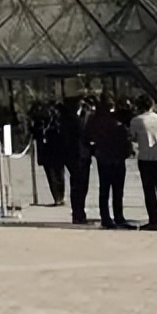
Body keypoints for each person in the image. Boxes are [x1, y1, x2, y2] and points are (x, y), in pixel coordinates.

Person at [85, 94, 135, 229]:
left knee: (106, 189)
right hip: (114, 157)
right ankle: (116, 217)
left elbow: (89, 137)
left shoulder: (95, 120)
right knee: (116, 190)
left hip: (106, 157)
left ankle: (107, 217)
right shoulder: (114, 120)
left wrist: (95, 150)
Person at [129, 96, 157, 231]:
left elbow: (133, 137)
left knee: (149, 191)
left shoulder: (137, 120)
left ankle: (154, 220)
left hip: (145, 158)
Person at [61, 96, 94, 224]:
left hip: (84, 155)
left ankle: (80, 212)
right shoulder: (68, 118)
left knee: (83, 185)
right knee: (77, 185)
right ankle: (77, 213)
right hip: (74, 155)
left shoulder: (86, 115)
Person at [34, 101, 66, 205]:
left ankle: (59, 197)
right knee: (54, 175)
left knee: (58, 175)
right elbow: (35, 133)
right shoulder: (40, 123)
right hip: (49, 152)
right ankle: (58, 197)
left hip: (55, 151)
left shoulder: (57, 122)